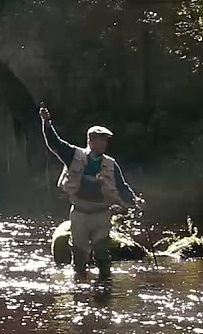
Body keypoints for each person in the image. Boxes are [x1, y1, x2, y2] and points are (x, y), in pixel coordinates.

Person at [39, 106, 143, 280]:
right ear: (90, 141)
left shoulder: (110, 164)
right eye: (100, 140)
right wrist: (46, 123)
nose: (104, 143)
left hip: (102, 214)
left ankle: (105, 290)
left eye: (105, 140)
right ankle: (79, 288)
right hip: (79, 214)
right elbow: (54, 143)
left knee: (102, 253)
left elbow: (122, 186)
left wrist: (135, 201)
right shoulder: (73, 154)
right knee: (79, 255)